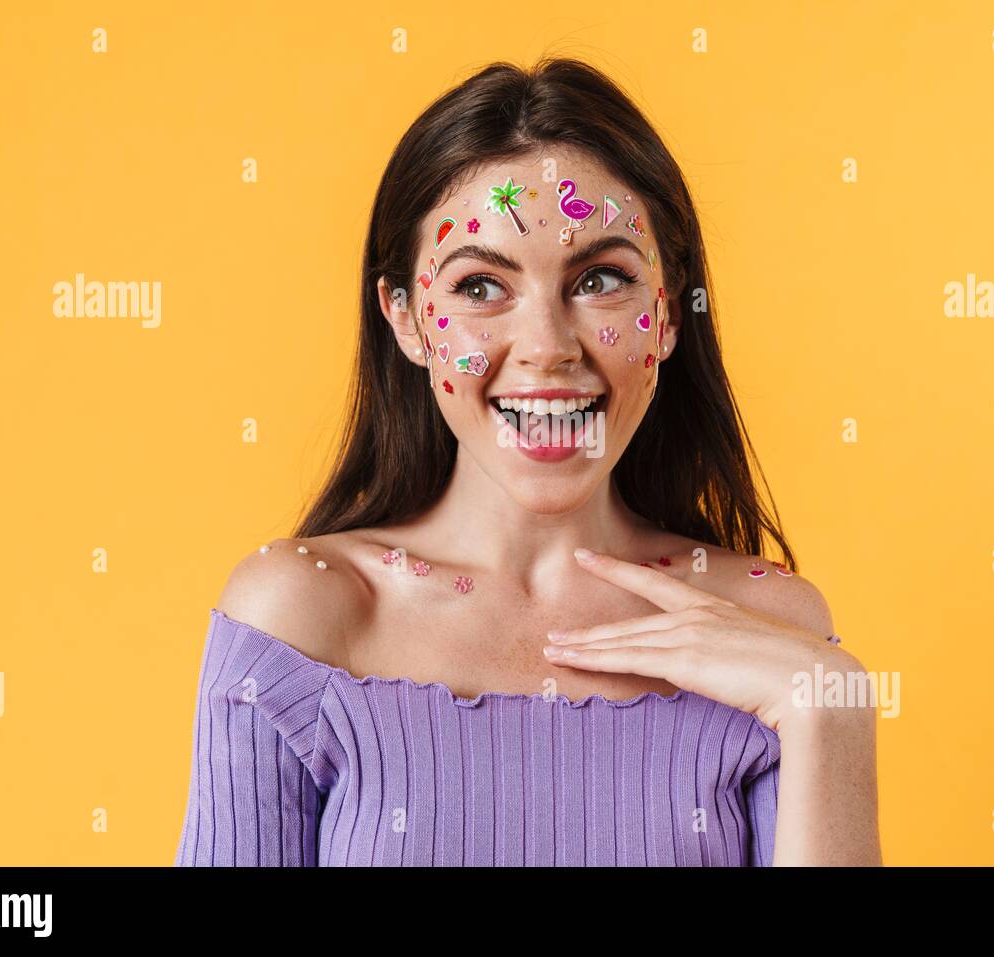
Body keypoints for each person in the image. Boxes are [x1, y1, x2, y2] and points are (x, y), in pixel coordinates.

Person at [175, 57, 880, 866]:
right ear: (404, 318)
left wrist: (831, 710)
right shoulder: (300, 617)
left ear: (670, 315)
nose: (548, 349)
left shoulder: (772, 630)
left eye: (602, 279)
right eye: (480, 288)